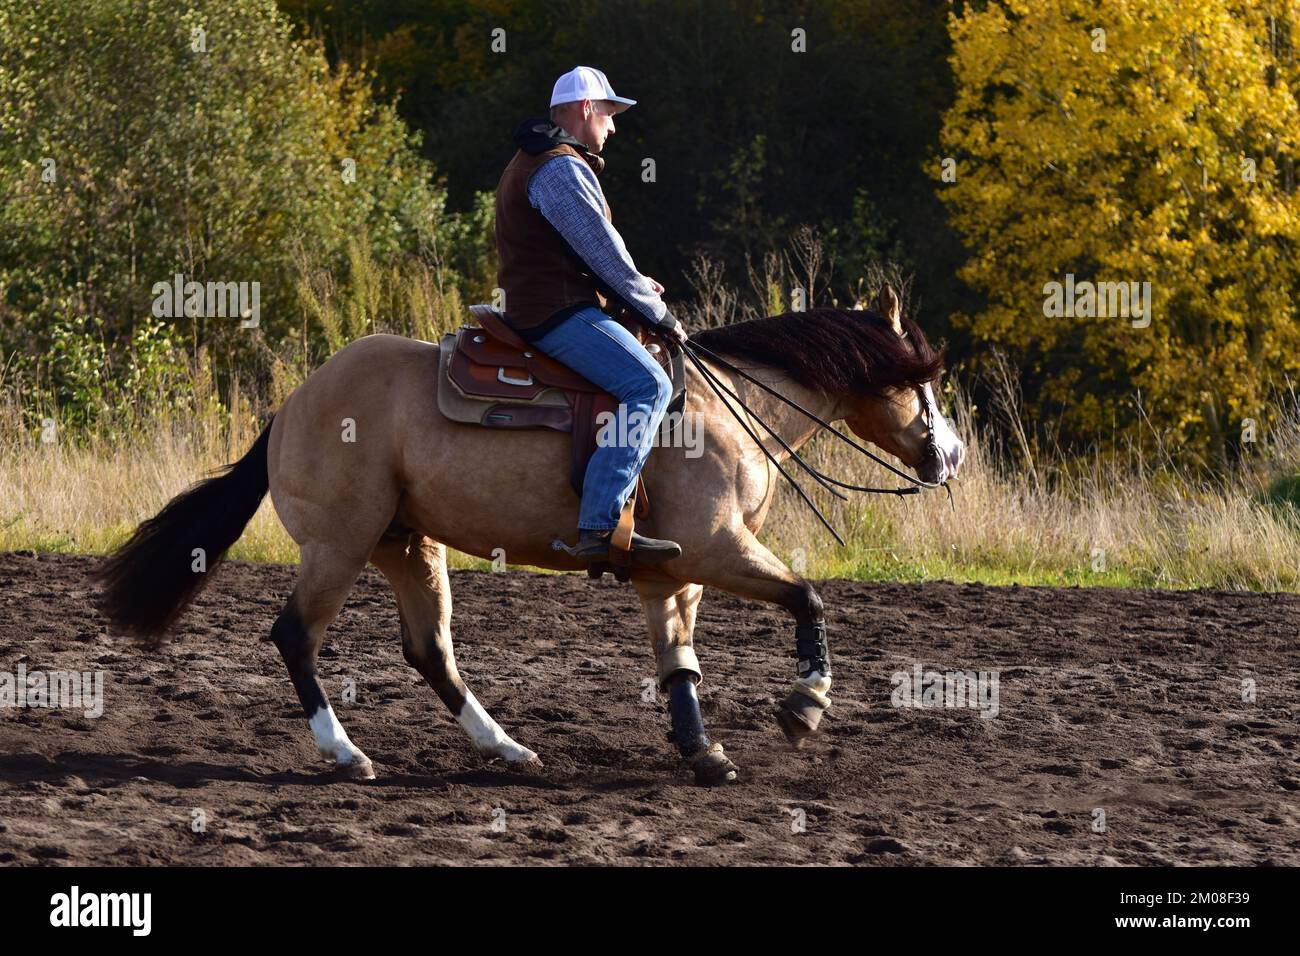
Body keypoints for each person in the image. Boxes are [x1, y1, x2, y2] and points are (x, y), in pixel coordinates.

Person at [494, 66, 685, 565]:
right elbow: (602, 249)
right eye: (608, 113)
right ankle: (601, 522)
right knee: (651, 386)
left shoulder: (541, 160)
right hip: (553, 313)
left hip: (549, 304)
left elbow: (587, 253)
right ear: (585, 109)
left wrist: (636, 287)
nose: (613, 127)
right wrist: (658, 312)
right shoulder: (559, 167)